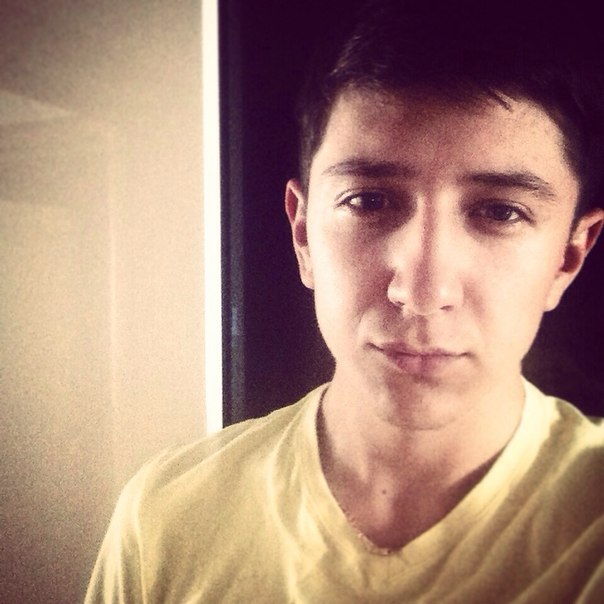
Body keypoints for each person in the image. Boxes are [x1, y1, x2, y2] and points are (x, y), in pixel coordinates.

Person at [85, 1, 604, 602]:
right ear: (303, 235)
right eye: (368, 201)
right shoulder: (167, 520)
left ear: (568, 257)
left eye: (500, 212)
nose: (421, 292)